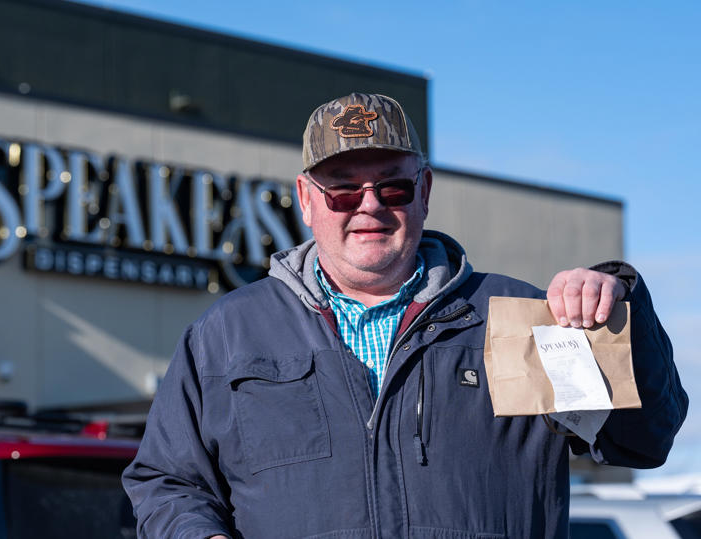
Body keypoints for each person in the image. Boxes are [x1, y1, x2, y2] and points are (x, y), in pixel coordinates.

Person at [122, 93, 687, 538]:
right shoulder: (226, 334)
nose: (369, 206)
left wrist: (616, 308)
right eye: (343, 191)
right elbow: (168, 482)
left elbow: (643, 441)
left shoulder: (521, 318)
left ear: (424, 190)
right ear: (306, 198)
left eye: (391, 186)